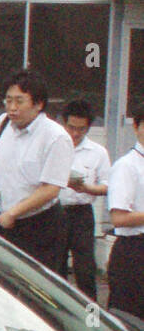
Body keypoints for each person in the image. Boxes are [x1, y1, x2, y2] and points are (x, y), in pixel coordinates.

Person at [0, 69, 72, 269]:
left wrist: (13, 213)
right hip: (5, 220)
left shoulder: (55, 136)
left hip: (40, 225)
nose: (12, 108)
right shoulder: (3, 123)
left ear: (38, 104)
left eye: (19, 101)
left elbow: (51, 189)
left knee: (38, 286)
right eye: (8, 101)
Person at [55, 99, 111, 298]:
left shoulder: (98, 152)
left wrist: (85, 187)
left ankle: (92, 319)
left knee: (85, 271)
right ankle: (58, 320)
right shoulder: (54, 146)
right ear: (63, 123)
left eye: (82, 129)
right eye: (71, 127)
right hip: (55, 211)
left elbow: (107, 187)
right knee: (55, 268)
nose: (76, 133)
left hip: (82, 214)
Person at [107, 105, 144, 319]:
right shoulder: (127, 166)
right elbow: (118, 218)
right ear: (136, 127)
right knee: (129, 320)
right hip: (134, 252)